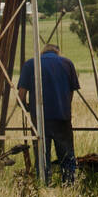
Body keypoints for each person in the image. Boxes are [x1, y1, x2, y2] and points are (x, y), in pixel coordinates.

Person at [17, 43, 81, 185]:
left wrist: (28, 108)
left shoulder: (30, 64)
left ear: (42, 52)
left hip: (39, 120)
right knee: (67, 157)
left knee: (42, 157)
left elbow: (20, 96)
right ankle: (69, 186)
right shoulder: (67, 63)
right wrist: (64, 107)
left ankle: (43, 186)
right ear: (57, 52)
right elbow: (71, 92)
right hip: (62, 118)